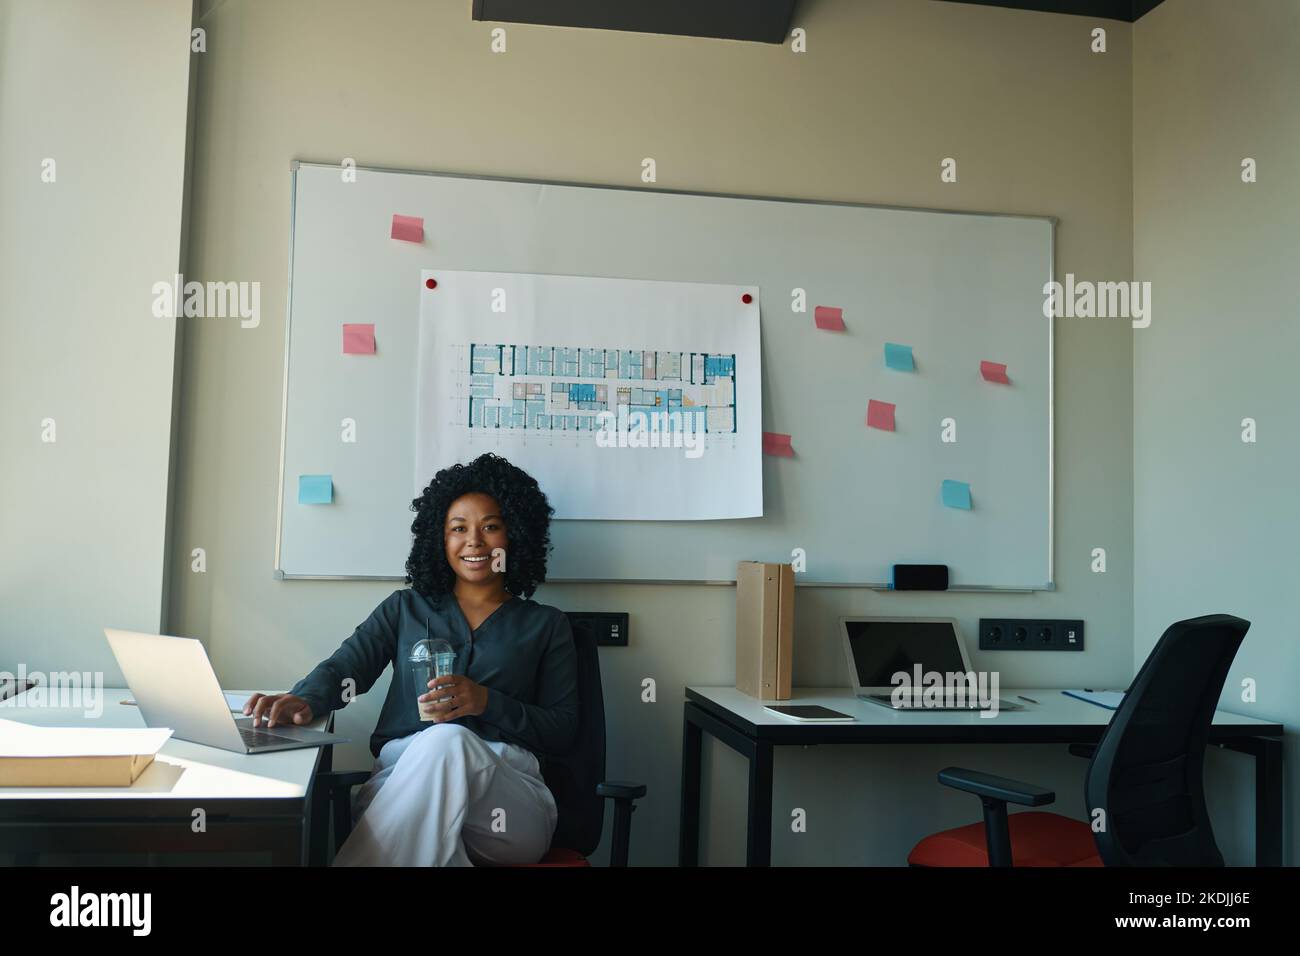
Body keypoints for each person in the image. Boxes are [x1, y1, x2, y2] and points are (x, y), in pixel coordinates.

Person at [243, 453, 579, 866]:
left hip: (507, 809)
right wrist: (305, 699)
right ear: (440, 539)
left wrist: (485, 702)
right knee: (436, 812)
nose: (474, 541)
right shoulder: (405, 609)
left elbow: (564, 731)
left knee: (448, 739)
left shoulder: (546, 625)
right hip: (401, 785)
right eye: (458, 528)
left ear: (515, 537)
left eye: (491, 527)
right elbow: (346, 668)